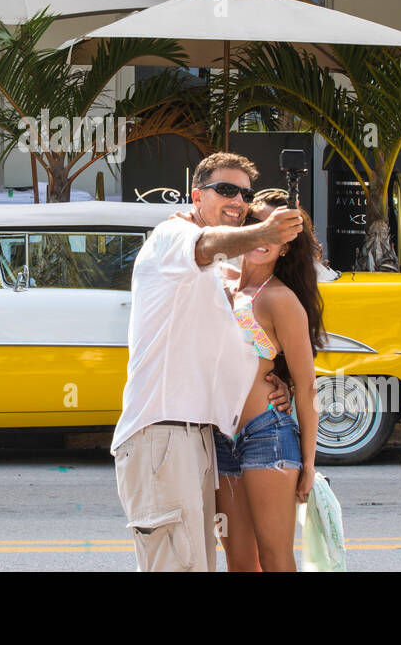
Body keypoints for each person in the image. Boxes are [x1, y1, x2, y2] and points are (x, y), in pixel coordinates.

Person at [111, 152, 304, 571]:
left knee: (198, 564)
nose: (238, 200)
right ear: (196, 195)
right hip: (161, 433)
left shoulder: (224, 270)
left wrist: (275, 380)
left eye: (245, 193)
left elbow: (239, 339)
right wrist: (260, 231)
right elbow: (205, 246)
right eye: (225, 189)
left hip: (201, 438)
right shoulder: (173, 236)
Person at [214, 190, 325, 572]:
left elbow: (308, 384)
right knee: (239, 560)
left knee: (275, 556)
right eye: (254, 224)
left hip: (267, 434)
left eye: (274, 232)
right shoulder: (218, 282)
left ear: (286, 248)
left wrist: (309, 462)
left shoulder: (280, 299)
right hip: (219, 436)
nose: (262, 236)